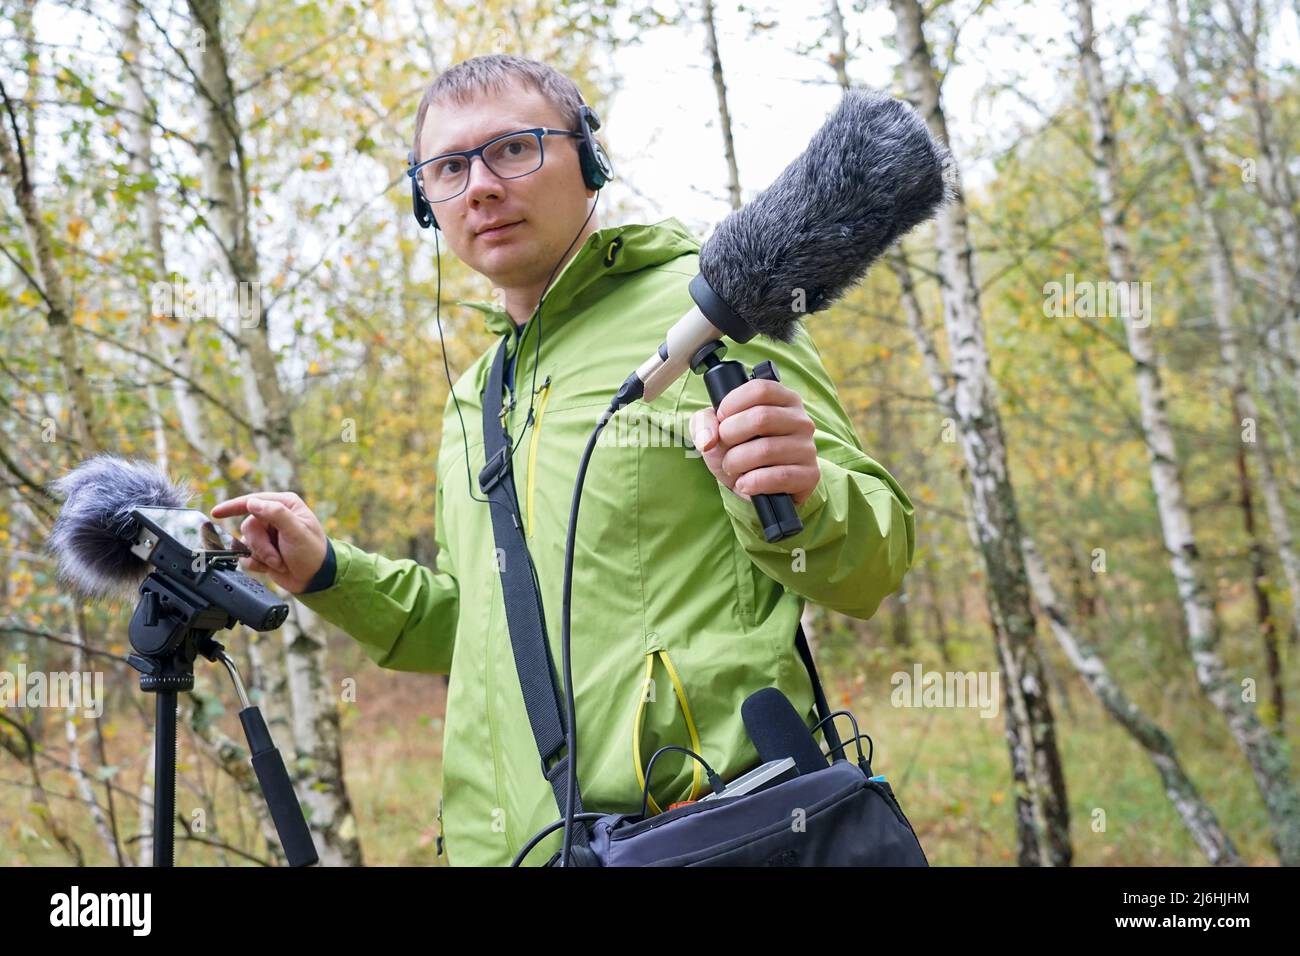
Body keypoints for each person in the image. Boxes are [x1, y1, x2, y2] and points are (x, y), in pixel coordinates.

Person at [210, 54, 914, 867]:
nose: (479, 185)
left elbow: (874, 564)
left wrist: (809, 493)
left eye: (513, 148)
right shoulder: (474, 395)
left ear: (588, 159)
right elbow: (480, 631)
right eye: (446, 168)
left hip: (707, 838)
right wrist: (330, 573)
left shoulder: (711, 310)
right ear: (425, 202)